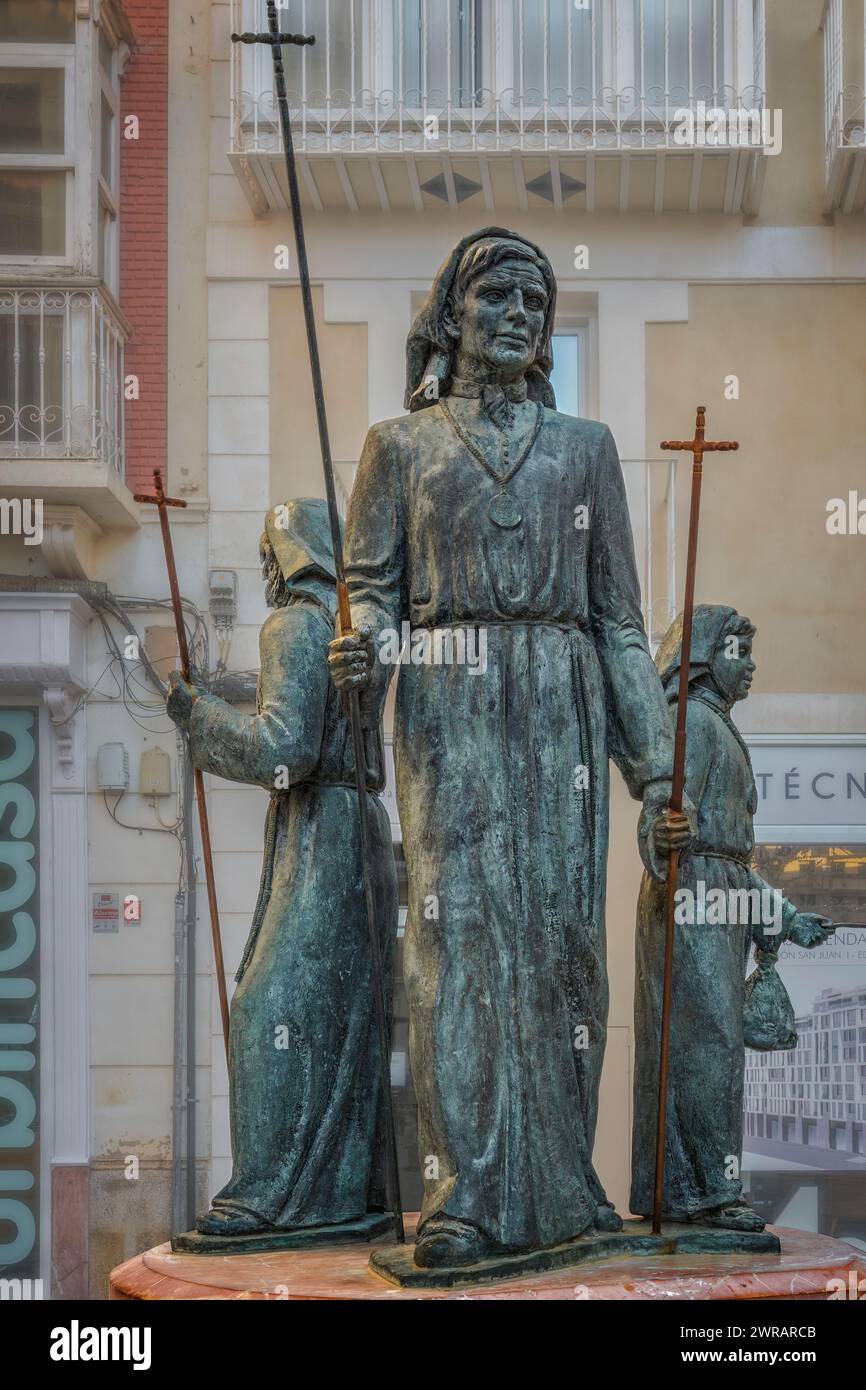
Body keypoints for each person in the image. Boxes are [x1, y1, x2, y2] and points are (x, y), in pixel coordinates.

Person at [329, 228, 690, 1268]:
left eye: (535, 300)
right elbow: (375, 594)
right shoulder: (399, 448)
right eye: (497, 295)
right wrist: (367, 646)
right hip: (450, 706)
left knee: (565, 946)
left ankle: (566, 1190)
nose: (520, 314)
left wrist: (652, 769)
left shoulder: (586, 448)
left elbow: (619, 621)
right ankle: (465, 1196)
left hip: (561, 700)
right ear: (452, 314)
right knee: (457, 947)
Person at [167, 498, 398, 1239]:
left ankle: (268, 1195)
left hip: (321, 830)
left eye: (267, 551)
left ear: (286, 555)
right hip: (357, 827)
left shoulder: (294, 625)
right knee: (342, 1020)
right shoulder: (353, 626)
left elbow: (283, 752)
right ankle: (338, 1195)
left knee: (266, 1011)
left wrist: (199, 719)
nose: (264, 565)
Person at [630, 605, 832, 1229]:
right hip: (690, 891)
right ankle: (706, 1193)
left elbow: (735, 861)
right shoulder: (689, 721)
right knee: (707, 1042)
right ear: (703, 657)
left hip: (715, 889)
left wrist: (785, 917)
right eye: (738, 651)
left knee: (711, 1043)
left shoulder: (714, 726)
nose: (751, 666)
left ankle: (697, 1189)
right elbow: (663, 804)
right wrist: (663, 831)